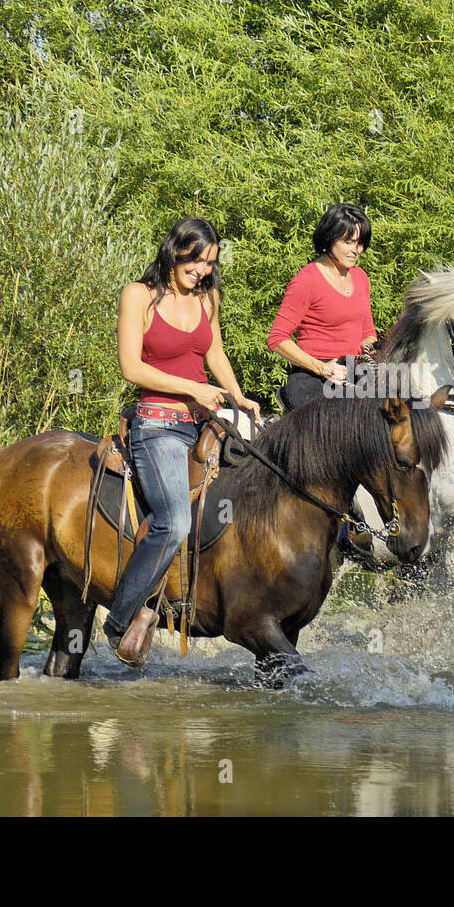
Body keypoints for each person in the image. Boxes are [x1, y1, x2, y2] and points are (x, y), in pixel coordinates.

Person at [103, 216, 260, 667]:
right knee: (174, 521)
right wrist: (192, 389)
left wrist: (237, 395)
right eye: (197, 261)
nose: (204, 270)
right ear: (175, 252)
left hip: (205, 424)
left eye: (210, 263)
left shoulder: (208, 299)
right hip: (157, 427)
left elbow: (214, 354)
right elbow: (131, 368)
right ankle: (119, 621)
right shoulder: (140, 296)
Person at [267, 203, 378, 411]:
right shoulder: (306, 280)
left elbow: (367, 334)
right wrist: (323, 368)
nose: (357, 250)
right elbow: (277, 339)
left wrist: (373, 350)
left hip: (354, 373)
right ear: (329, 238)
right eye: (349, 242)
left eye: (360, 243)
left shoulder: (361, 277)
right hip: (312, 378)